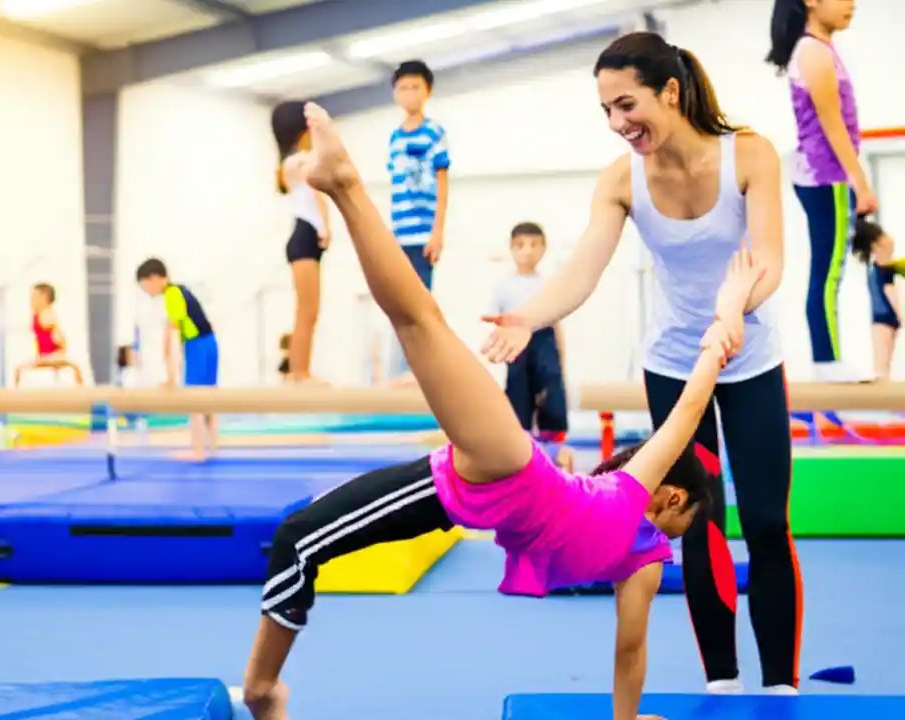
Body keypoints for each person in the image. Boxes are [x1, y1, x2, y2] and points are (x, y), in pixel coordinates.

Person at [241, 101, 763, 720]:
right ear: (674, 499)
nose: (673, 545)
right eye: (682, 530)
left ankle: (261, 690)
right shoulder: (634, 504)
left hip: (473, 488)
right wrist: (725, 317)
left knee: (412, 335)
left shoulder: (638, 550)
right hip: (505, 469)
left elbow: (630, 650)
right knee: (418, 324)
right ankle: (347, 183)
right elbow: (689, 411)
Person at [481, 32, 800, 695]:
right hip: (675, 365)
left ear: (670, 92)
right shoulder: (620, 180)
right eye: (606, 111)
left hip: (748, 356)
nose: (618, 124)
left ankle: (780, 687)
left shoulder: (751, 155)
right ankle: (723, 682)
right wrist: (531, 316)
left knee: (767, 519)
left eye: (627, 104)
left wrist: (736, 306)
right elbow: (584, 268)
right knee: (695, 514)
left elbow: (766, 256)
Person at [767, 0, 872, 381]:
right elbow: (832, 124)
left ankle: (827, 358)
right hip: (826, 176)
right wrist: (859, 180)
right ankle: (826, 360)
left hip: (823, 175)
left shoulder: (819, 48)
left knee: (828, 272)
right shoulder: (812, 50)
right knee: (828, 273)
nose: (852, 4)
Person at [385, 60, 451, 382]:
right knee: (398, 301)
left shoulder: (434, 132)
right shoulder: (394, 137)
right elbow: (395, 188)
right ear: (394, 93)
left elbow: (442, 181)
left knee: (421, 300)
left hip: (423, 232)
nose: (409, 93)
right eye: (403, 88)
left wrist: (438, 230)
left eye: (415, 87)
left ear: (428, 91)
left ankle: (420, 367)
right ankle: (401, 367)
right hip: (399, 233)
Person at [492, 222, 572, 471]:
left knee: (551, 386)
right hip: (516, 341)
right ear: (511, 249)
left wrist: (562, 354)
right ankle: (520, 444)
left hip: (543, 337)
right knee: (518, 389)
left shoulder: (549, 283)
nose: (528, 251)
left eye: (534, 245)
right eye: (521, 246)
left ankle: (554, 446)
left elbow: (555, 320)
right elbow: (499, 321)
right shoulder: (504, 285)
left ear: (543, 248)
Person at [273, 101, 332, 385]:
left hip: (302, 235)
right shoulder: (302, 160)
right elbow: (317, 192)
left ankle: (298, 372)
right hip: (306, 235)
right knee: (308, 310)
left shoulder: (287, 163)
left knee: (306, 310)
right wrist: (326, 227)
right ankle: (300, 373)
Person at [136, 258, 219, 460]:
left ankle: (198, 451)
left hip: (198, 345)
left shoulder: (172, 294)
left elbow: (172, 333)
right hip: (209, 342)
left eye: (145, 286)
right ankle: (214, 447)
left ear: (155, 278)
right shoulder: (181, 291)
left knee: (195, 399)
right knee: (210, 397)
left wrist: (171, 376)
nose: (146, 292)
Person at [851, 218, 900, 380]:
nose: (890, 240)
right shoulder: (881, 266)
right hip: (883, 317)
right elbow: (889, 291)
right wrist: (901, 314)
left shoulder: (883, 267)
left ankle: (883, 386)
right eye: (883, 237)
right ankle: (880, 392)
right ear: (876, 245)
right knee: (881, 364)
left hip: (885, 316)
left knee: (884, 363)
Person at [14, 283, 84, 386]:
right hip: (44, 356)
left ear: (44, 298)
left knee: (75, 366)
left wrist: (58, 339)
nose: (31, 301)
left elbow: (59, 339)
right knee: (19, 369)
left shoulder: (47, 314)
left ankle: (80, 388)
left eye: (34, 297)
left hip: (54, 355)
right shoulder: (37, 315)